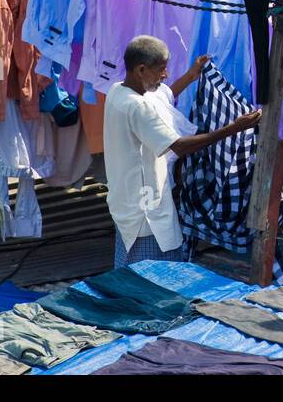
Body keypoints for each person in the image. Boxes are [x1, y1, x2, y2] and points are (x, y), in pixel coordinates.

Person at [103, 36, 262, 268]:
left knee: (130, 267)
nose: (165, 75)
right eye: (161, 69)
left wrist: (191, 75)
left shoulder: (118, 90)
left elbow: (163, 95)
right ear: (141, 70)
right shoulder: (138, 107)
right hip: (145, 209)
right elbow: (180, 146)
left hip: (126, 198)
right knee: (149, 274)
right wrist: (233, 128)